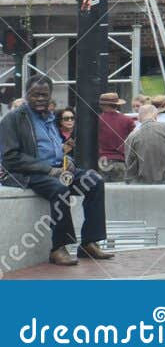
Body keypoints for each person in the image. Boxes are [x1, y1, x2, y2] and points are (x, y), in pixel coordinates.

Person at [0, 78, 112, 266]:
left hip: (57, 169)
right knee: (60, 188)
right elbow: (10, 157)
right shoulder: (13, 119)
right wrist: (49, 170)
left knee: (95, 180)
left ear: (50, 95)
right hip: (28, 173)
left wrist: (69, 164)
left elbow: (56, 149)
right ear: (26, 94)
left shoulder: (51, 118)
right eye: (35, 94)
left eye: (44, 95)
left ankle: (89, 243)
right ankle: (59, 247)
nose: (40, 99)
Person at [125, 103, 165, 184]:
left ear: (139, 118)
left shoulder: (132, 136)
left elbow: (129, 163)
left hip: (143, 184)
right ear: (156, 116)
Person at [96, 92, 136, 181]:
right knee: (120, 191)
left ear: (102, 105)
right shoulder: (128, 120)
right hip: (121, 161)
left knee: (104, 191)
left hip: (103, 161)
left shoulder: (97, 120)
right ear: (117, 105)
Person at [56, 107, 76, 183]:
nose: (70, 120)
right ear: (60, 121)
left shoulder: (79, 132)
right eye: (66, 118)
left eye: (72, 118)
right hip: (60, 169)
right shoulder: (55, 134)